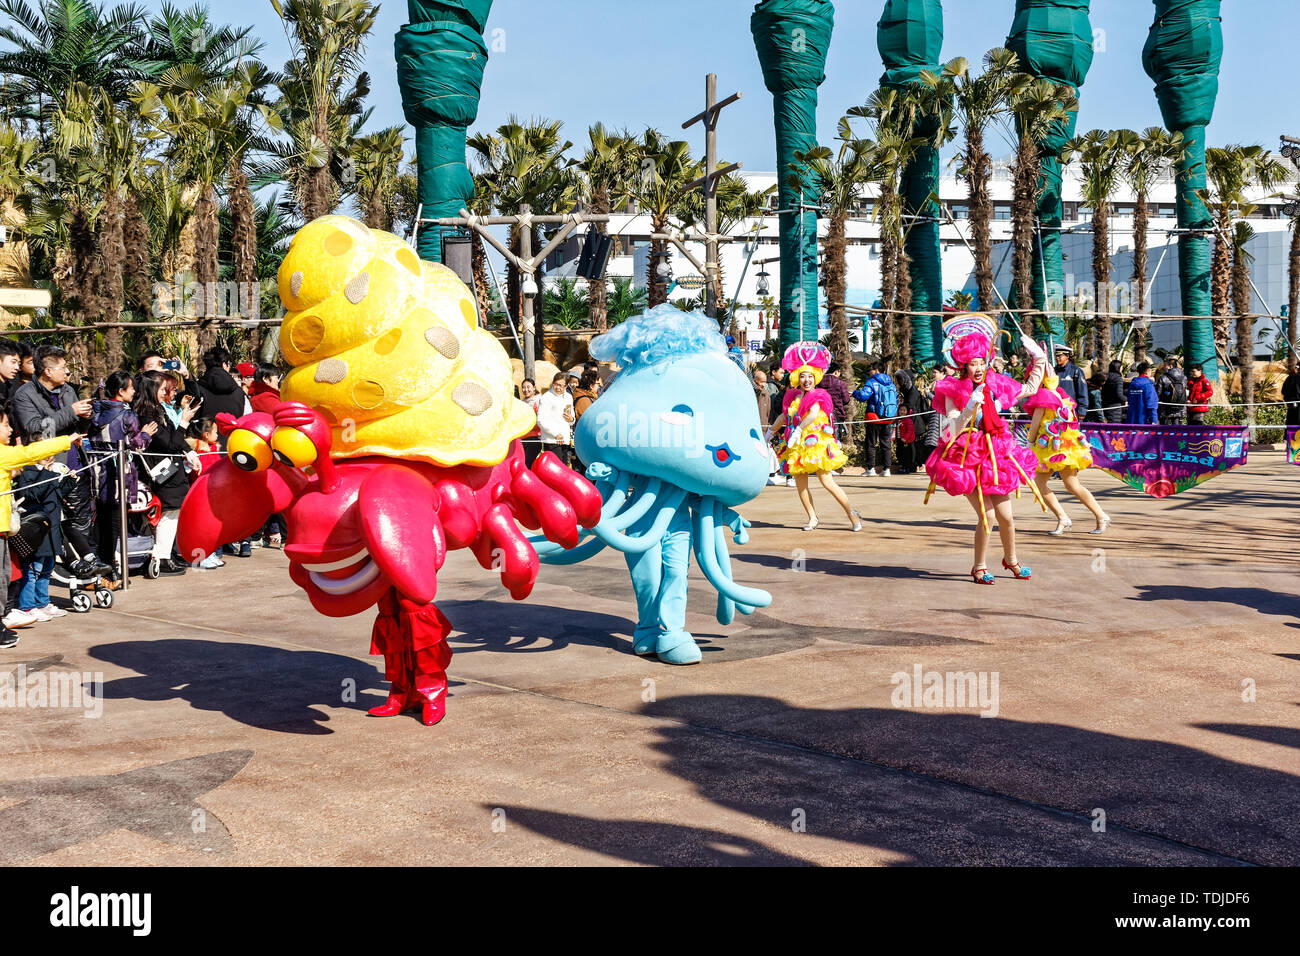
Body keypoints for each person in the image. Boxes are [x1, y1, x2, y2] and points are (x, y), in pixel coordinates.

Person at [923, 314, 1047, 584]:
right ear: (963, 365)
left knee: (1007, 517)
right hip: (967, 458)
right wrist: (969, 408)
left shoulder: (997, 385)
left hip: (996, 454)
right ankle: (979, 566)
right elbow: (948, 432)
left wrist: (1038, 359)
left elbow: (1030, 387)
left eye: (981, 362)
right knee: (987, 516)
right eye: (972, 363)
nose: (977, 368)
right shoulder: (952, 390)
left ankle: (1011, 560)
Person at [767, 342, 861, 532]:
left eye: (810, 376)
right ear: (796, 377)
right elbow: (784, 416)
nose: (807, 380)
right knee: (800, 485)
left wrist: (799, 430)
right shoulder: (792, 396)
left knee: (827, 482)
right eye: (803, 376)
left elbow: (812, 414)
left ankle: (852, 514)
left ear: (816, 377)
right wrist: (768, 434)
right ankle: (812, 518)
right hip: (797, 446)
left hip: (816, 444)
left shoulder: (819, 394)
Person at [0, 412, 74, 641]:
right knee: (12, 575)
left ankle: (37, 605)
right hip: (19, 526)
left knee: (12, 574)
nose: (11, 430)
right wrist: (66, 440)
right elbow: (29, 453)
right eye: (5, 424)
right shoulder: (9, 457)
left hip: (14, 527)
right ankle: (21, 609)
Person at [1024, 354, 1112, 536]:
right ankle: (1066, 518)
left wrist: (1029, 444)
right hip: (1062, 447)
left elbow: (1034, 426)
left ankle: (1099, 516)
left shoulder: (1043, 397)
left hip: (1052, 448)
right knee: (1056, 484)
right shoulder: (1061, 395)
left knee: (1064, 484)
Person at [90, 371, 156, 570]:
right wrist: (145, 434)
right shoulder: (127, 415)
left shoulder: (96, 410)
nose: (134, 391)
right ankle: (108, 569)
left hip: (96, 471)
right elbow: (135, 445)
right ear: (121, 391)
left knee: (100, 522)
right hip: (119, 473)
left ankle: (100, 563)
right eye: (131, 387)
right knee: (115, 523)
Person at [133, 370, 197, 575]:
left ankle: (165, 555)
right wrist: (184, 422)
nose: (165, 393)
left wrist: (188, 451)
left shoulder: (158, 409)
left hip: (172, 469)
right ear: (151, 389)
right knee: (168, 514)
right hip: (163, 472)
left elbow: (173, 441)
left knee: (174, 513)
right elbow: (169, 443)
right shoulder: (146, 414)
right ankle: (161, 557)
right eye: (162, 389)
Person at [14, 436, 73, 623]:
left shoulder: (48, 473)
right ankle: (27, 606)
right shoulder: (28, 473)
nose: (50, 457)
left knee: (47, 568)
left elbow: (56, 493)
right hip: (36, 531)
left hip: (51, 530)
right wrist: (48, 475)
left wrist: (69, 481)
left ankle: (42, 602)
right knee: (33, 569)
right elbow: (32, 494)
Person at [853, 361, 898, 477]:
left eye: (871, 369)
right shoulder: (891, 383)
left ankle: (870, 468)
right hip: (888, 416)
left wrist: (855, 393)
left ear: (876, 370)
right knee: (886, 443)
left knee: (871, 443)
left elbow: (863, 396)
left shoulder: (872, 382)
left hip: (874, 416)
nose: (869, 372)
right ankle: (887, 469)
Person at [196, 347, 249, 428]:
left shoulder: (198, 389)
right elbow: (247, 419)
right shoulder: (239, 391)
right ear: (224, 364)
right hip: (233, 438)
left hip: (205, 438)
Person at [536, 372, 576, 467]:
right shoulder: (546, 397)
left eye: (561, 386)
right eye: (556, 384)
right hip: (551, 441)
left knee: (564, 469)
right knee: (554, 470)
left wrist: (571, 419)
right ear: (553, 383)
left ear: (566, 386)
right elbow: (540, 420)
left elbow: (572, 419)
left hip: (565, 441)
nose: (558, 388)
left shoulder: (569, 397)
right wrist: (555, 434)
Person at [821, 361, 854, 446]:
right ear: (836, 371)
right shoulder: (840, 383)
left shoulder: (818, 382)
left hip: (821, 415)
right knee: (835, 441)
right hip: (836, 415)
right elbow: (846, 400)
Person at [1051, 345, 1088, 413]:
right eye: (1056, 356)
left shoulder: (1076, 371)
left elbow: (1082, 391)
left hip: (1072, 410)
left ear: (1067, 356)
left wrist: (1082, 410)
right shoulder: (1053, 371)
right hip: (1056, 410)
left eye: (1060, 356)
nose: (1057, 358)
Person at [517, 378, 543, 468]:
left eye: (528, 387)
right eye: (523, 387)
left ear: (534, 388)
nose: (526, 390)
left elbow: (540, 420)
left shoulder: (539, 401)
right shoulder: (521, 403)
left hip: (535, 437)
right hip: (523, 438)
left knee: (527, 464)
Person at [1155, 355, 1188, 425]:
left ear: (1170, 366)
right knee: (1178, 431)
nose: (1163, 367)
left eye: (1165, 365)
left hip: (1166, 408)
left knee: (1165, 432)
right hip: (1180, 408)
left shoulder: (1163, 378)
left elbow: (1158, 393)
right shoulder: (1184, 377)